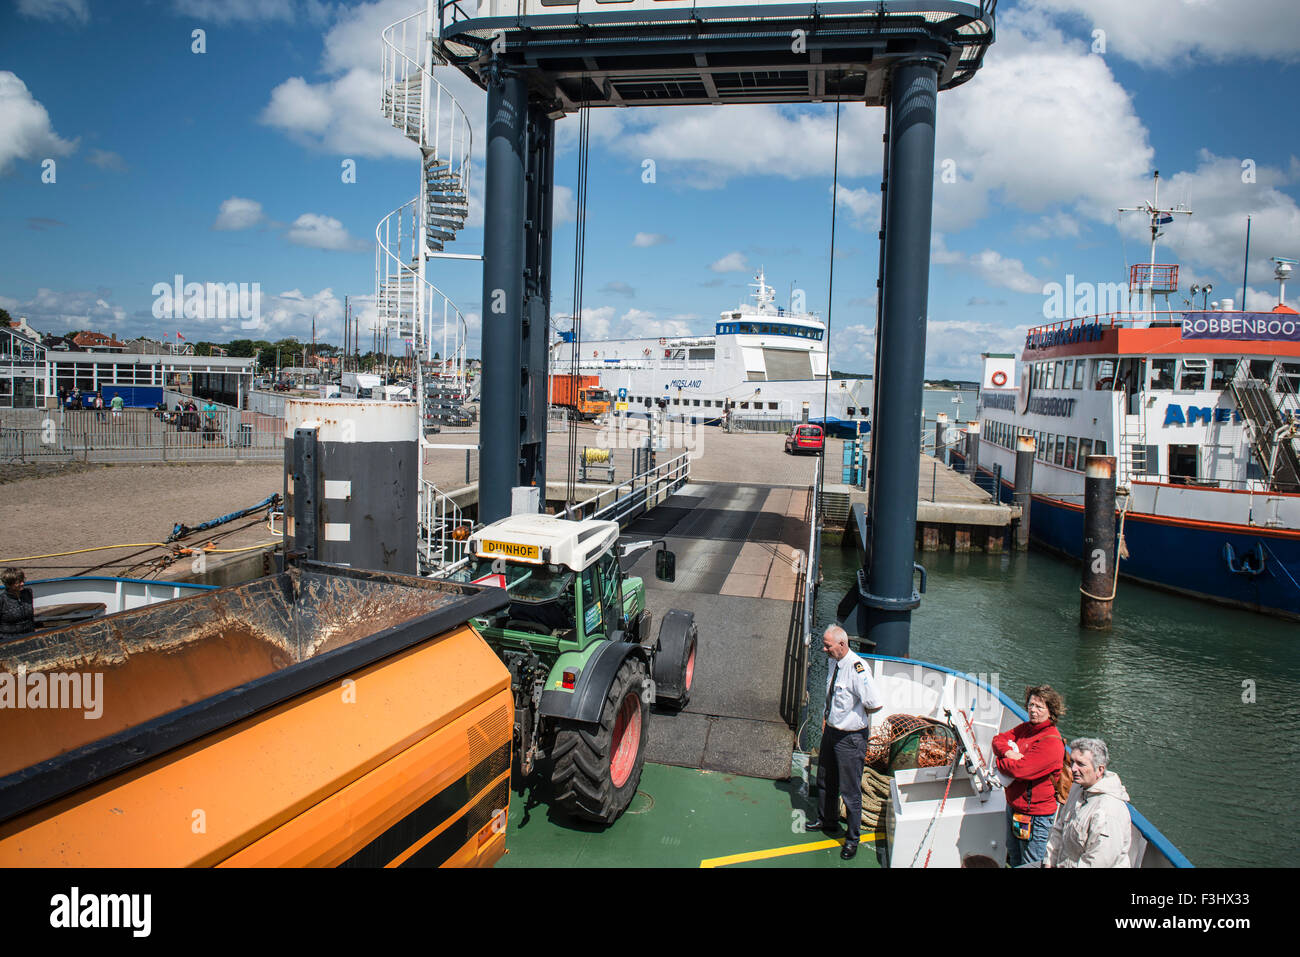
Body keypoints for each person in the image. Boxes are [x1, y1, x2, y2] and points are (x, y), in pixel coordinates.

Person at [806, 624, 884, 860]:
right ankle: (827, 820)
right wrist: (827, 719)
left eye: (828, 645)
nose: (824, 649)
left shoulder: (858, 669)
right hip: (831, 731)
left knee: (850, 791)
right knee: (825, 778)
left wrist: (852, 720)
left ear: (842, 644)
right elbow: (832, 695)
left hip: (850, 738)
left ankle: (852, 839)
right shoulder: (834, 661)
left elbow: (874, 703)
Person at [992, 685, 1066, 867]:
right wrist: (1009, 754)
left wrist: (999, 763)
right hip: (1015, 808)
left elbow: (1021, 770)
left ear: (1051, 711)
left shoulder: (1051, 742)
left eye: (1039, 707)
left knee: (1030, 862)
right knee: (1014, 854)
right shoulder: (1026, 729)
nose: (1033, 710)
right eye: (1031, 705)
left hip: (1035, 816)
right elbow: (997, 740)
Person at [1043, 738, 1132, 868]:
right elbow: (1059, 829)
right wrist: (1048, 863)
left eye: (1081, 764)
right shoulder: (1077, 788)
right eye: (1072, 762)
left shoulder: (1108, 811)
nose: (1073, 768)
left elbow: (1098, 861)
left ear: (1100, 770)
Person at [0, 567, 35, 638]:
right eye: (18, 582)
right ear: (9, 585)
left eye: (22, 580)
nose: (22, 583)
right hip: (8, 639)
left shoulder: (28, 593)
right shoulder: (2, 600)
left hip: (30, 636)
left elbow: (31, 618)